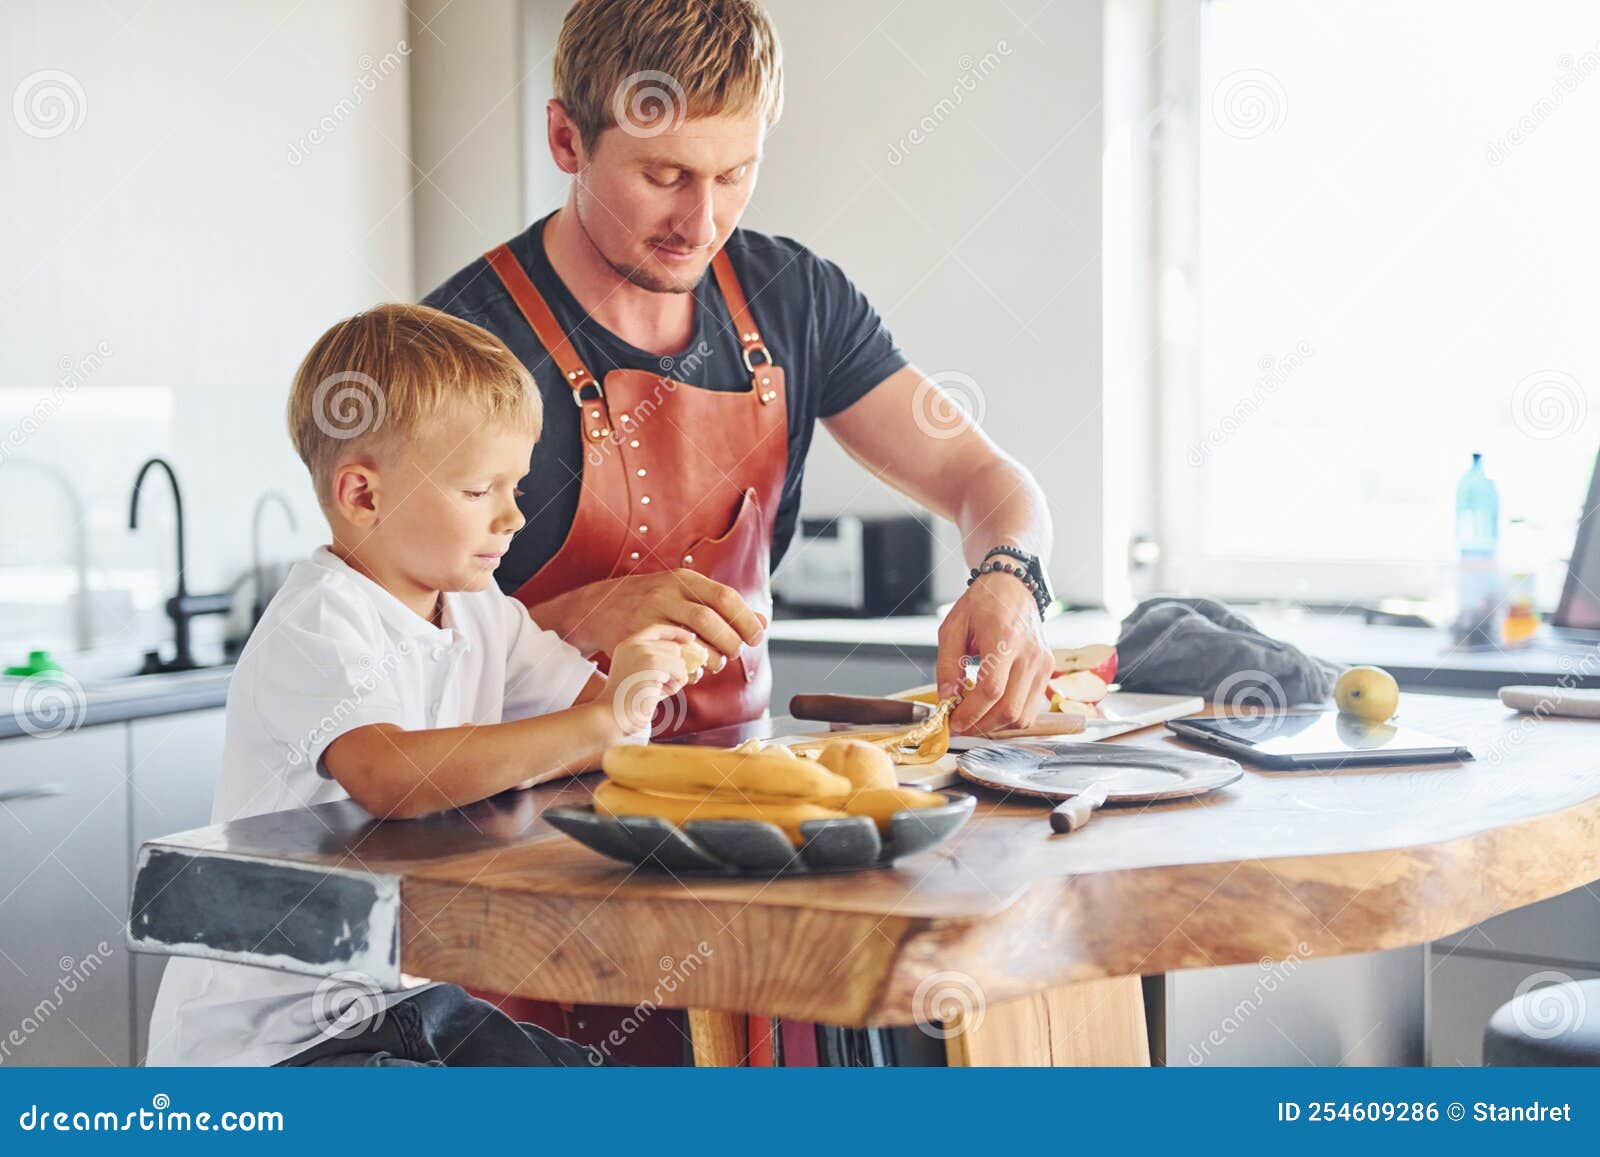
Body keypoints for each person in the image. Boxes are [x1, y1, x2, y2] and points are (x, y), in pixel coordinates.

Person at [420, 0, 1057, 1063]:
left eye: (735, 173)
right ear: (566, 140)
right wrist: (569, 618)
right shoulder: (459, 345)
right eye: (664, 175)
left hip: (748, 849)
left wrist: (1008, 573)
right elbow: (397, 681)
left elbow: (987, 477)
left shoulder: (792, 297)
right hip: (523, 868)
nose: (700, 217)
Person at [144, 304, 695, 1067]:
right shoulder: (320, 621)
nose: (511, 517)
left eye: (516, 487)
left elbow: (591, 726)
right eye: (479, 492)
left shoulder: (479, 610)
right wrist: (604, 722)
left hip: (401, 1000)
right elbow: (394, 776)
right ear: (363, 496)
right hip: (271, 1042)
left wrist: (636, 683)